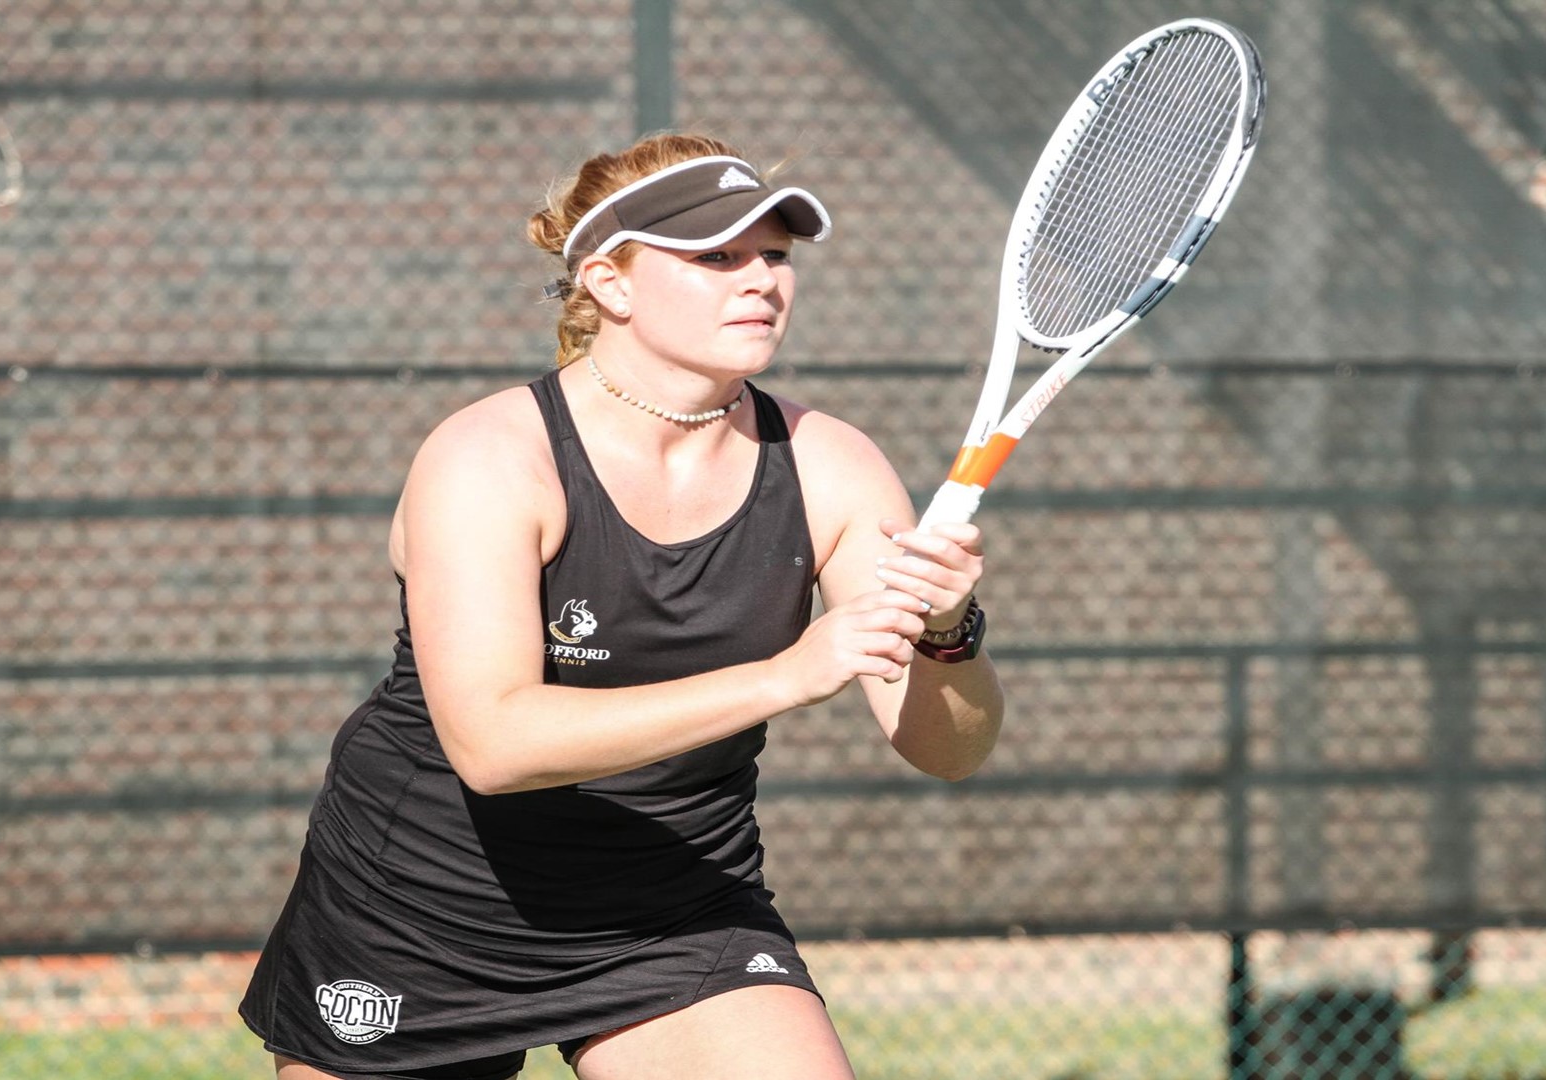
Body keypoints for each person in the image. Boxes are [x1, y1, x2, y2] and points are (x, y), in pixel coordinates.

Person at [239, 132, 1005, 1080]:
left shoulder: (830, 464)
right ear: (610, 281)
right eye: (715, 256)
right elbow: (495, 745)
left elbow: (948, 749)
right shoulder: (489, 457)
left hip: (671, 911)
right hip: (423, 908)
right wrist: (784, 675)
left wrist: (946, 634)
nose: (759, 280)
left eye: (773, 254)